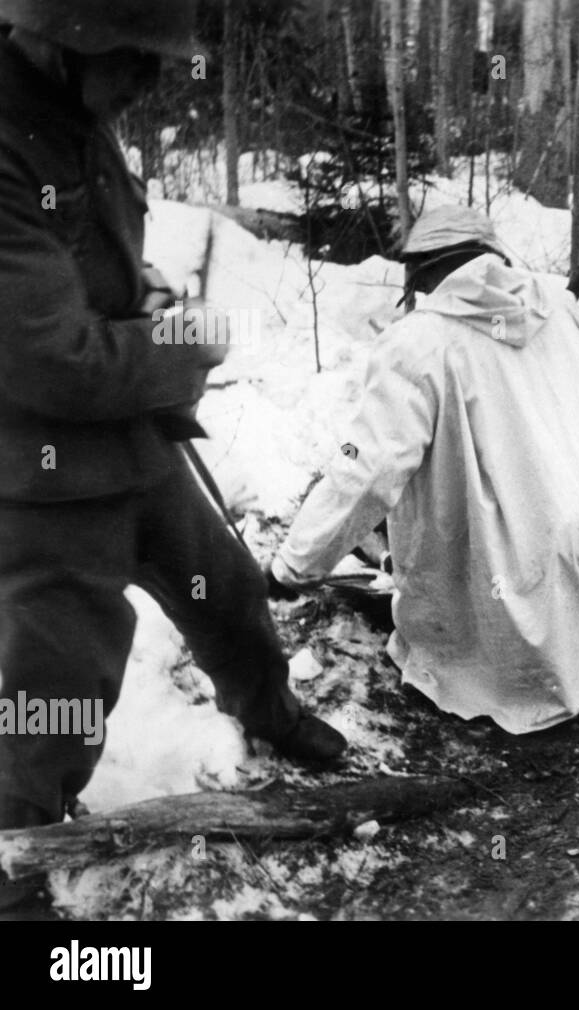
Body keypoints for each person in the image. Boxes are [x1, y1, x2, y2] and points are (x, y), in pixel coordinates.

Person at [0, 0, 346, 847]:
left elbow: (86, 259)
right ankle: (17, 850)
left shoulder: (73, 109)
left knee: (225, 591)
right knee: (61, 682)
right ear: (65, 43)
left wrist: (143, 290)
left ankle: (270, 714)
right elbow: (51, 358)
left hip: (129, 433)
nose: (154, 80)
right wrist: (183, 342)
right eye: (135, 58)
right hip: (45, 468)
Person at [267, 206, 579, 736]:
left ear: (425, 270)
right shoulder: (556, 305)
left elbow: (365, 472)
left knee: (479, 605)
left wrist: (294, 566)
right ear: (492, 255)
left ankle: (498, 678)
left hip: (506, 599)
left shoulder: (418, 344)